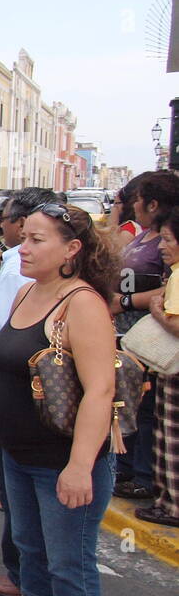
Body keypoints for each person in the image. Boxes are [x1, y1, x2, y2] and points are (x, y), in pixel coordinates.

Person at [0, 204, 118, 596]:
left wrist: (81, 465)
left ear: (71, 250)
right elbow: (16, 364)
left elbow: (100, 389)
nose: (24, 246)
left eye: (38, 240)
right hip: (17, 455)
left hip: (61, 462)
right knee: (31, 553)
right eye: (26, 238)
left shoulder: (83, 304)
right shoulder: (24, 292)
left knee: (71, 564)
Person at [0, 187, 52, 596]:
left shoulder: (28, 268)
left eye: (37, 238)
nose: (1, 223)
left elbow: (18, 334)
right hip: (9, 380)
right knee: (16, 485)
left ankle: (24, 575)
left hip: (21, 386)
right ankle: (26, 572)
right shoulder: (19, 263)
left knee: (21, 486)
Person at [110, 170, 179, 502]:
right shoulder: (144, 236)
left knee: (147, 407)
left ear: (152, 204)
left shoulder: (166, 242)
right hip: (128, 333)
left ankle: (143, 476)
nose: (132, 206)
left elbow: (167, 290)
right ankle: (124, 467)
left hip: (150, 335)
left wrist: (123, 303)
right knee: (128, 402)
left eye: (136, 200)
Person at [138, 205, 179, 528]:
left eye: (167, 239)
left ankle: (170, 504)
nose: (161, 246)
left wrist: (156, 310)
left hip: (173, 368)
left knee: (169, 436)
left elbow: (176, 323)